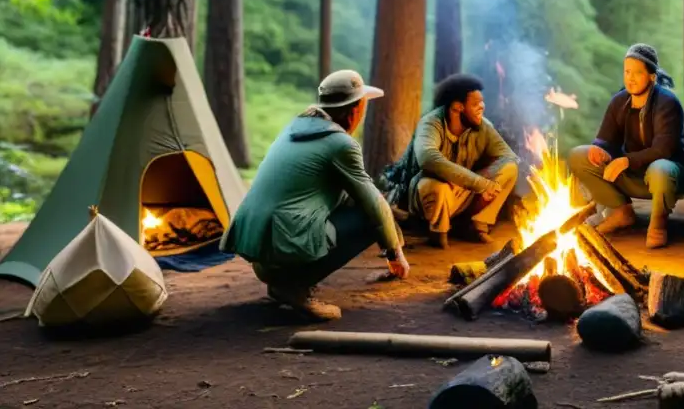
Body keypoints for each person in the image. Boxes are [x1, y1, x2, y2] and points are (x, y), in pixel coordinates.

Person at [220, 69, 408, 320]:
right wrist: (395, 253)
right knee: (368, 216)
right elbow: (375, 203)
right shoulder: (341, 145)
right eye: (363, 106)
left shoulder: (294, 129)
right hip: (282, 245)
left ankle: (283, 280)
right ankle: (294, 286)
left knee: (361, 203)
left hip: (258, 247)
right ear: (354, 111)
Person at [568, 43, 684, 249]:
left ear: (652, 77)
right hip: (635, 175)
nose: (630, 78)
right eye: (627, 72)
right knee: (578, 155)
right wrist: (599, 150)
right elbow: (605, 140)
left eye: (637, 73)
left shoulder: (667, 103)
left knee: (660, 168)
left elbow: (663, 150)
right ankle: (621, 212)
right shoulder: (619, 101)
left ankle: (658, 223)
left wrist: (627, 160)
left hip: (671, 175)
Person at [401, 73, 520, 249]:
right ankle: (438, 232)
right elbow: (428, 158)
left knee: (509, 169)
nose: (482, 107)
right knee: (437, 188)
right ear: (457, 107)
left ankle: (476, 224)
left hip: (465, 189)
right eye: (475, 104)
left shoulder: (483, 126)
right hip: (435, 190)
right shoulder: (431, 123)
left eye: (482, 102)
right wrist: (478, 182)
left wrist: (486, 176)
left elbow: (508, 156)